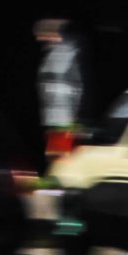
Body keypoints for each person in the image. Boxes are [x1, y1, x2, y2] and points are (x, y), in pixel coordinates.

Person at [34, 18, 84, 161]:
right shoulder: (55, 53)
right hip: (57, 115)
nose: (39, 38)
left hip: (61, 115)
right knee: (56, 153)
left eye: (43, 34)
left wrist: (72, 115)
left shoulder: (62, 54)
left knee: (59, 154)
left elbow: (66, 87)